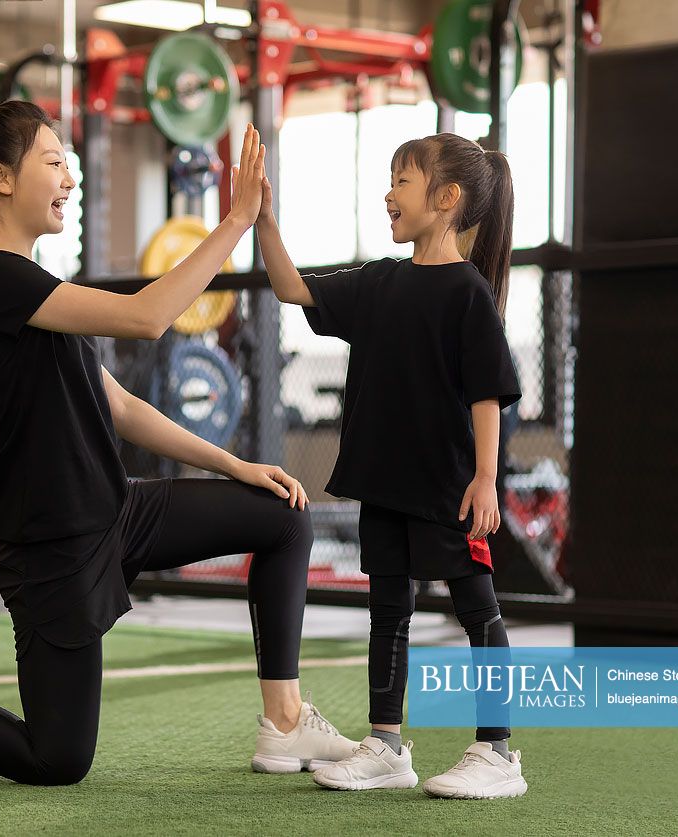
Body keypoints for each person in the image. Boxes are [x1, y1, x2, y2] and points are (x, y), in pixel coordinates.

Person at [0, 101, 356, 785]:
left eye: (69, 163)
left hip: (114, 509)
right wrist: (236, 221)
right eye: (55, 162)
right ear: (1, 178)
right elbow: (147, 316)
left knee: (281, 515)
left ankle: (283, 720)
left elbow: (117, 403)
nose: (70, 179)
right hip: (51, 537)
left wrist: (233, 463)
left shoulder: (35, 288)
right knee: (56, 758)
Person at [255, 132, 528, 798]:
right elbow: (290, 287)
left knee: (476, 609)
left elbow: (487, 391)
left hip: (448, 488)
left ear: (445, 198)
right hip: (383, 482)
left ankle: (496, 753)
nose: (387, 193)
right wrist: (259, 217)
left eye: (400, 181)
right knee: (387, 609)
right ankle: (384, 744)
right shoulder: (378, 282)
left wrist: (485, 476)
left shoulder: (466, 293)